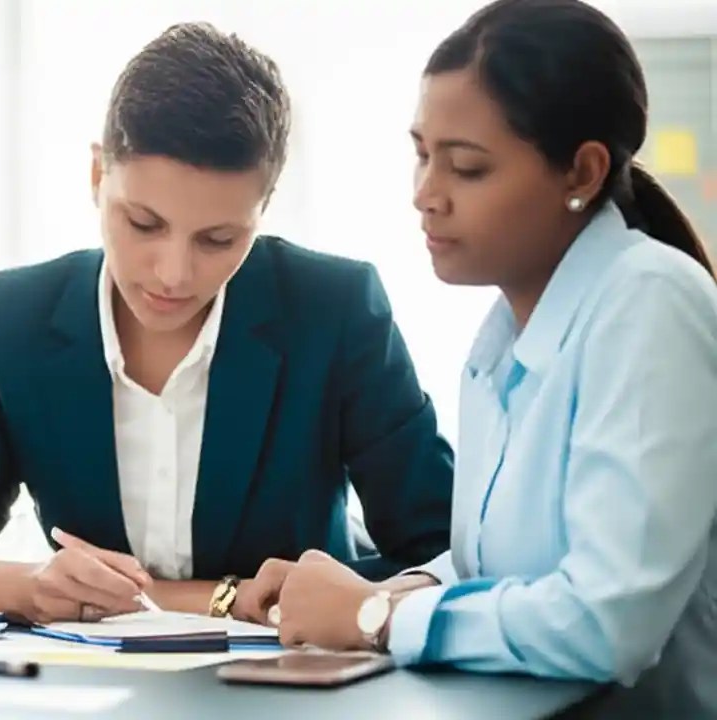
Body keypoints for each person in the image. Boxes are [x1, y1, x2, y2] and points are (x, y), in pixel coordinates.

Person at [0, 22, 454, 624]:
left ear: (266, 204)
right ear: (99, 176)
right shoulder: (15, 316)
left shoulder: (334, 309)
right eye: (144, 224)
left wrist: (236, 600)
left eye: (218, 238)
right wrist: (33, 588)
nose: (174, 273)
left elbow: (441, 552)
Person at [244, 0, 717, 715]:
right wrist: (383, 591)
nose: (425, 195)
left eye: (465, 167)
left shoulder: (649, 301)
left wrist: (376, 621)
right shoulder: (505, 335)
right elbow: (494, 566)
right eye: (421, 154)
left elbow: (606, 620)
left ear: (581, 172)